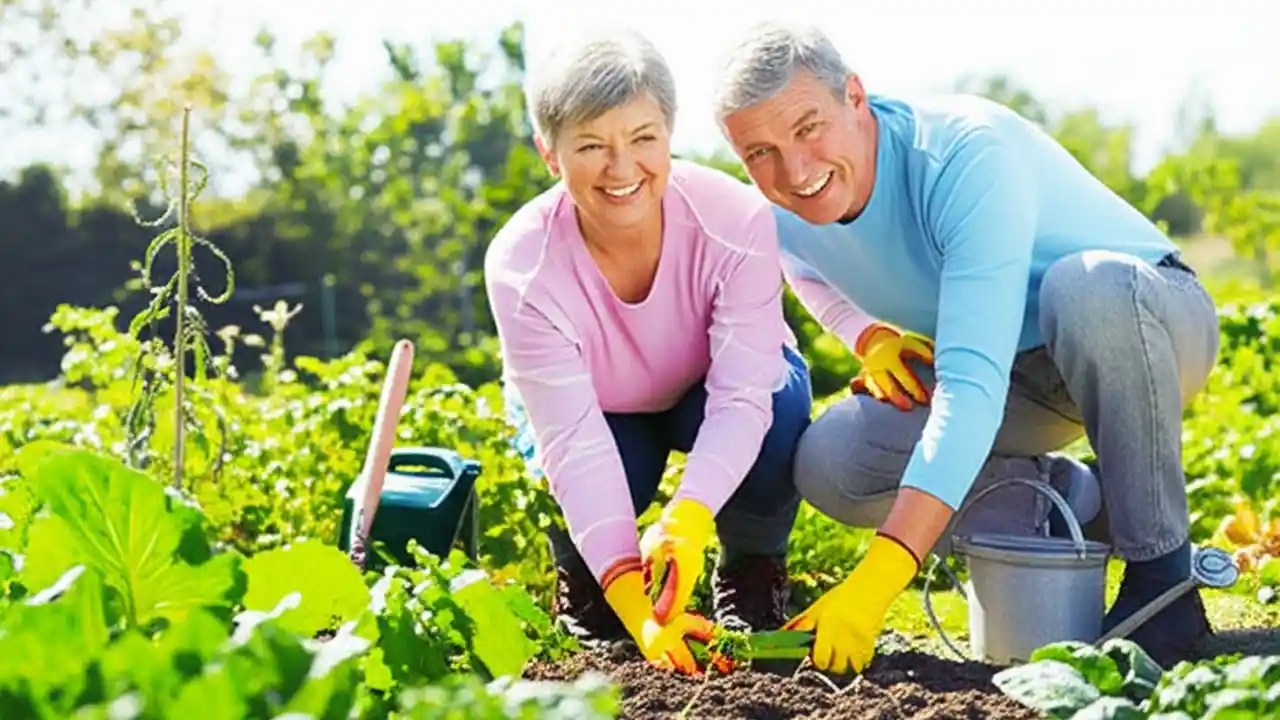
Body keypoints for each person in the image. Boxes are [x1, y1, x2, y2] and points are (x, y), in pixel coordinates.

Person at [710, 21, 1220, 674]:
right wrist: (867, 336)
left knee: (1084, 287)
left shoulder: (961, 155)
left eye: (808, 127)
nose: (795, 169)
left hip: (1148, 325)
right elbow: (801, 265)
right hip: (1019, 374)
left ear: (855, 97)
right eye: (760, 152)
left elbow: (969, 387)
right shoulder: (779, 207)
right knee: (833, 461)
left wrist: (877, 582)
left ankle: (1164, 581)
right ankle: (1081, 505)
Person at [484, 27, 813, 675]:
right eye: (590, 146)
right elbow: (572, 441)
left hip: (710, 391)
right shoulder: (523, 264)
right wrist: (638, 611)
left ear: (669, 131)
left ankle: (750, 570)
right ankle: (589, 581)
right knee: (599, 478)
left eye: (642, 138)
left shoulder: (736, 220)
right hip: (600, 412)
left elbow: (742, 396)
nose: (622, 168)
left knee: (777, 401)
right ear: (549, 153)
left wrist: (687, 520)